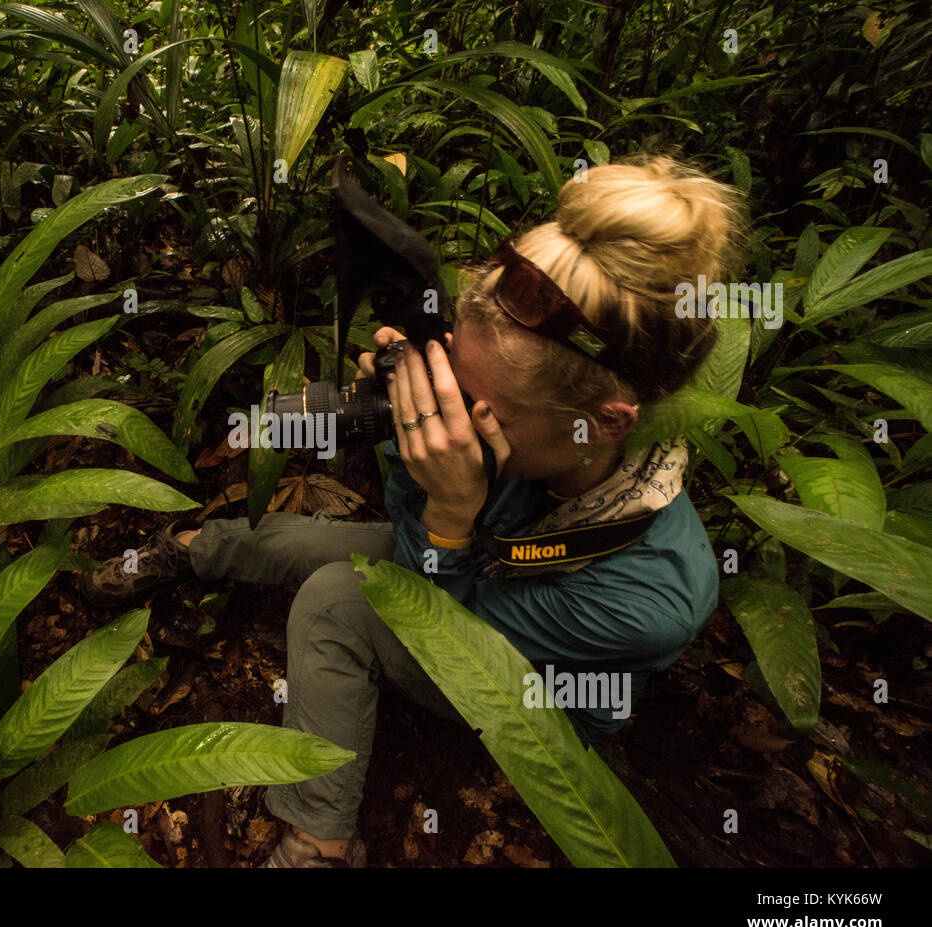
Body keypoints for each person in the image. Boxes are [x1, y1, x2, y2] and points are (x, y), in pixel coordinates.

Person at [81, 154, 748, 867]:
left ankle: (320, 841)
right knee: (318, 545)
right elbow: (410, 539)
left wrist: (453, 510)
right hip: (474, 560)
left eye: (479, 410)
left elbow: (455, 638)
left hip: (526, 683)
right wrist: (409, 434)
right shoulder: (537, 446)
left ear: (605, 423)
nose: (455, 416)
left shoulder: (653, 597)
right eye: (453, 381)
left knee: (336, 602)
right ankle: (196, 548)